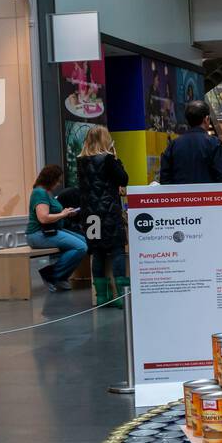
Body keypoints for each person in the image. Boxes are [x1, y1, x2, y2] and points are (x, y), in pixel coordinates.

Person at [76, 125, 131, 308]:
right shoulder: (108, 159)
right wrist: (117, 159)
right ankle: (121, 297)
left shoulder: (81, 161)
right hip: (108, 211)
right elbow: (123, 179)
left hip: (90, 215)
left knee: (97, 252)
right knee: (116, 250)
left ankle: (101, 297)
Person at [26, 165, 86, 291]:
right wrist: (62, 214)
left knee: (84, 242)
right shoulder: (39, 193)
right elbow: (43, 218)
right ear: (50, 179)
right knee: (80, 247)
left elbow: (53, 214)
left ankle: (61, 276)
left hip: (51, 231)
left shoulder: (47, 193)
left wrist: (65, 213)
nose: (59, 183)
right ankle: (51, 274)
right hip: (38, 234)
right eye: (57, 180)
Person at [159, 100, 222, 184]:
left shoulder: (173, 145)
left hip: (181, 196)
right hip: (208, 195)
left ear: (187, 120)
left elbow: (165, 178)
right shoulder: (214, 143)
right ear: (206, 119)